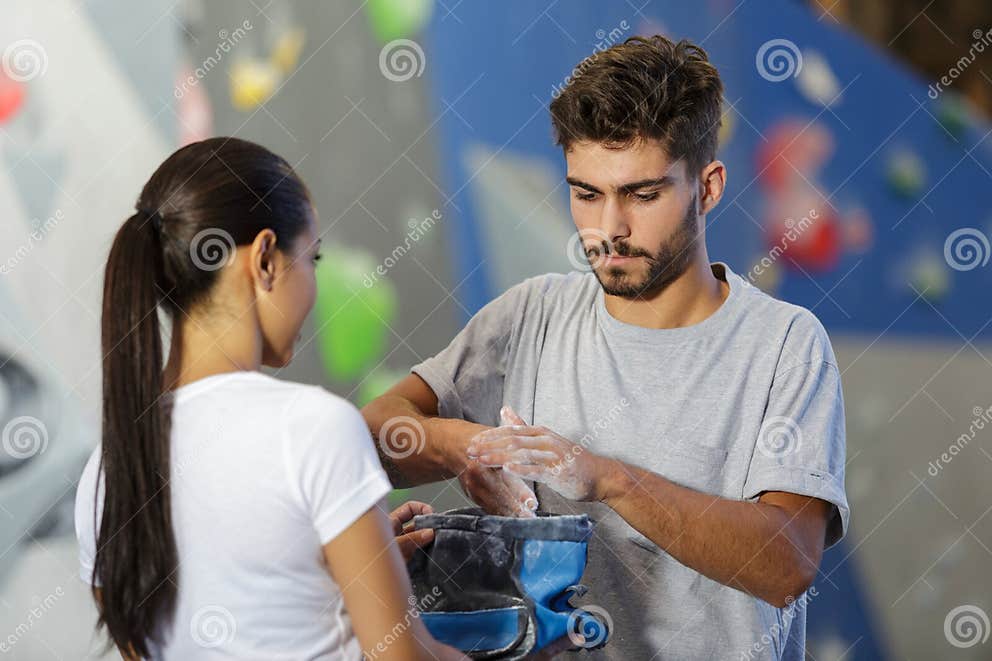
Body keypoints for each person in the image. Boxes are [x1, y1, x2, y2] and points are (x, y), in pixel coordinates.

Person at [362, 35, 849, 659]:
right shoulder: (531, 314)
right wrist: (463, 446)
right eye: (586, 193)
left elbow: (787, 564)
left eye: (642, 195)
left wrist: (607, 478)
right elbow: (373, 440)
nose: (608, 230)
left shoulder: (784, 345)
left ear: (708, 187)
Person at [74, 137, 465, 660]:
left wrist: (329, 573)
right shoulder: (313, 427)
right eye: (312, 257)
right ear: (263, 259)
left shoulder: (103, 474)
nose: (314, 283)